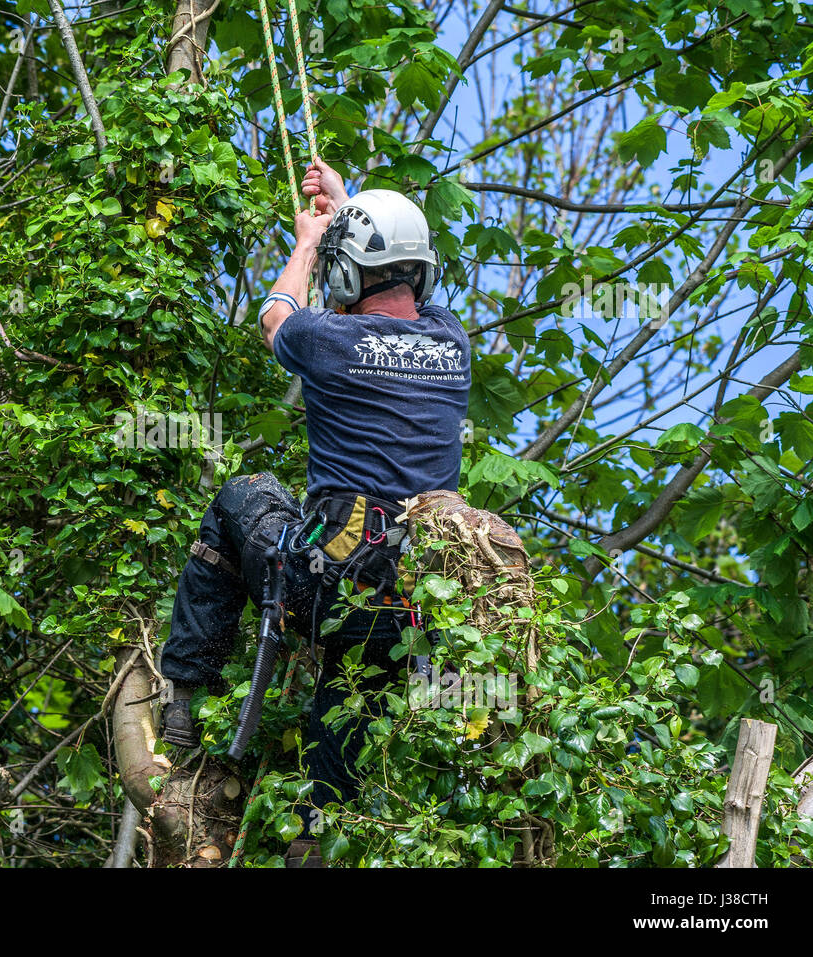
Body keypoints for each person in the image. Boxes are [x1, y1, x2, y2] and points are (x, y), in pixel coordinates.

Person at [157, 159, 472, 866]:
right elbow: (390, 271)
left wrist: (308, 240)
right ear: (421, 274)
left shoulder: (330, 342)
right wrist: (350, 208)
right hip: (409, 607)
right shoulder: (453, 345)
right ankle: (314, 838)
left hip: (323, 585)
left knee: (241, 495)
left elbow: (275, 317)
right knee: (344, 722)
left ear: (349, 273)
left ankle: (185, 695)